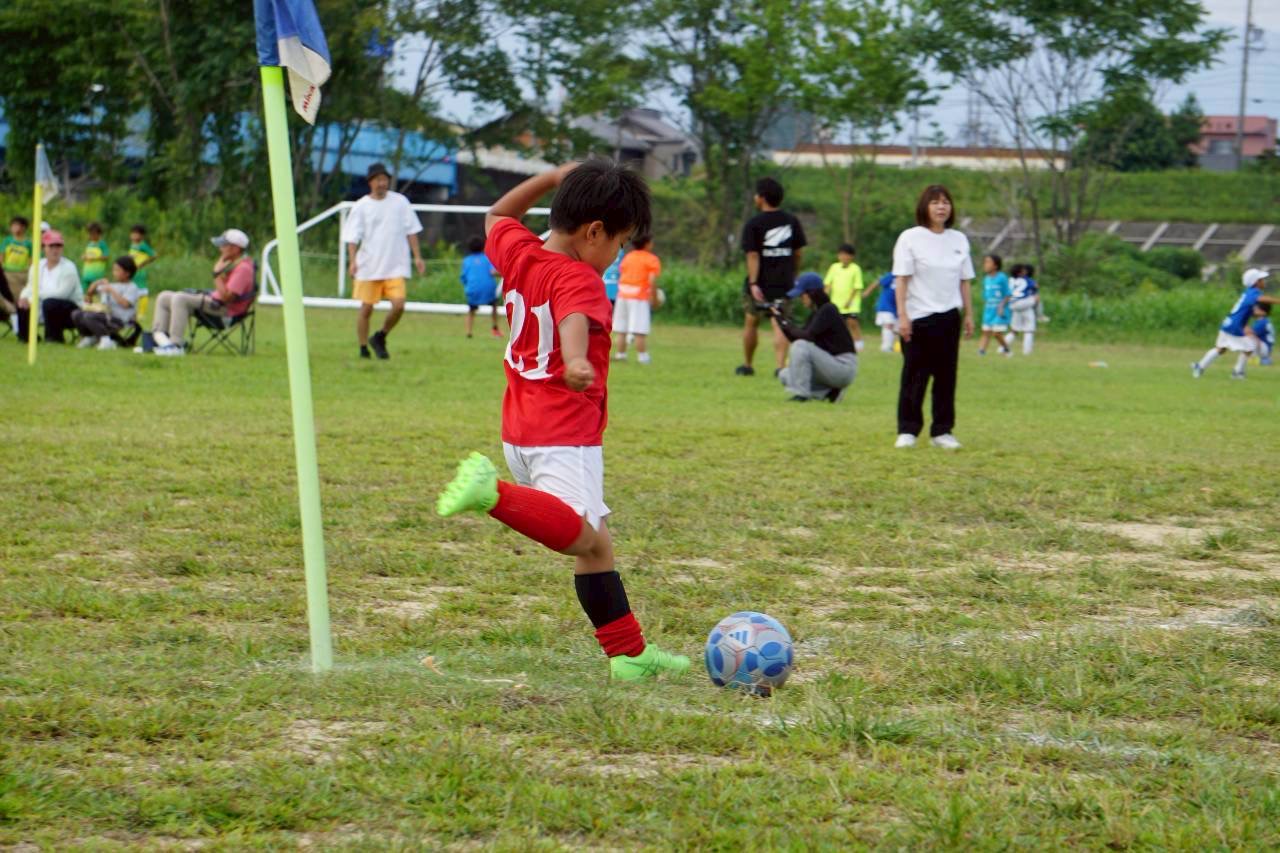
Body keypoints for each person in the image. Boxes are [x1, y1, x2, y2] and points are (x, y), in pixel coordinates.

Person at [436, 160, 689, 682]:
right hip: (563, 429)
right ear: (594, 231)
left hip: (521, 427)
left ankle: (629, 654)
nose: (616, 255)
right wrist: (575, 360)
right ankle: (490, 494)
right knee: (579, 536)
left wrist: (552, 178)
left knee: (597, 544)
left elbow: (496, 215)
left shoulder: (521, 252)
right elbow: (574, 316)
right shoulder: (581, 277)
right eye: (617, 243)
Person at [891, 185, 975, 450]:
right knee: (914, 375)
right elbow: (901, 280)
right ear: (925, 207)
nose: (941, 207)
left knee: (946, 376)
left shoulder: (959, 239)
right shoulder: (910, 238)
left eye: (946, 202)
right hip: (919, 316)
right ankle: (908, 430)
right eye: (936, 202)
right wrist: (903, 316)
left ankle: (942, 431)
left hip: (949, 316)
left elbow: (964, 282)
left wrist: (969, 314)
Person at [341, 162, 425, 360]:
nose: (382, 183)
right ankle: (363, 347)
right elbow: (352, 238)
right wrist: (352, 261)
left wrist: (418, 256)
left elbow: (411, 230)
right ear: (370, 182)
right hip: (369, 266)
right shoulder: (361, 206)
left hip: (395, 265)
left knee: (399, 305)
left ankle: (380, 335)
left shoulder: (400, 202)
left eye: (385, 179)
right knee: (366, 308)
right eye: (378, 179)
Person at [146, 229, 255, 357]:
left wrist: (216, 274)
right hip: (214, 303)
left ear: (235, 249)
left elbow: (227, 298)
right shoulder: (235, 264)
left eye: (223, 245)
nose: (220, 249)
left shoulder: (243, 269)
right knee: (164, 296)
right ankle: (160, 341)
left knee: (180, 298)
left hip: (225, 312)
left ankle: (175, 345)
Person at [737, 176, 806, 376]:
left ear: (762, 198)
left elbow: (752, 254)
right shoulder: (792, 221)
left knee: (752, 321)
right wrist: (794, 274)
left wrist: (753, 282)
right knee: (780, 323)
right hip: (785, 281)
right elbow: (798, 252)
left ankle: (748, 365)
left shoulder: (754, 224)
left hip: (760, 282)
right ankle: (780, 367)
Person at [773, 272, 857, 402]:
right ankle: (830, 392)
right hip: (830, 366)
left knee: (801, 346)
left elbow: (805, 337)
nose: (801, 298)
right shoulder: (817, 313)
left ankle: (802, 395)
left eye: (802, 295)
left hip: (843, 366)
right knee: (785, 375)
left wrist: (785, 323)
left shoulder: (828, 310)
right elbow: (795, 337)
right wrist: (780, 319)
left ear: (812, 293)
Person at [1192, 268, 1278, 379]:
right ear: (1256, 282)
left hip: (1228, 323)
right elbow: (1262, 299)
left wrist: (1256, 313)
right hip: (1235, 326)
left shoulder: (1247, 293)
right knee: (1249, 347)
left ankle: (1199, 366)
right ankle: (1237, 372)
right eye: (1261, 279)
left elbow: (1249, 310)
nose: (1264, 282)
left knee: (1221, 349)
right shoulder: (1253, 292)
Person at [17, 230, 82, 343]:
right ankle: (27, 337)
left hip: (71, 310)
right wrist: (24, 297)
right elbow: (30, 286)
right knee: (23, 303)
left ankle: (54, 337)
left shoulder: (69, 268)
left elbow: (62, 294)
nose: (55, 250)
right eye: (51, 246)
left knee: (50, 303)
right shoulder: (37, 265)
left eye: (58, 246)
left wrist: (35, 295)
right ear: (44, 248)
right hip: (41, 304)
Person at [73, 256, 141, 351]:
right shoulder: (112, 285)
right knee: (77, 314)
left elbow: (125, 304)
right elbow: (90, 292)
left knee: (89, 316)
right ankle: (89, 337)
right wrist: (97, 282)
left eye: (117, 270)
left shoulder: (132, 287)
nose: (114, 273)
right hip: (105, 316)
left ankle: (105, 340)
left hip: (120, 320)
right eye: (113, 270)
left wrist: (111, 290)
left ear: (127, 273)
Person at [612, 233, 661, 364]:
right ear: (647, 244)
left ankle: (620, 354)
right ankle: (643, 357)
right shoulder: (651, 259)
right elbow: (651, 280)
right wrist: (655, 298)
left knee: (621, 329)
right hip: (639, 296)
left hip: (622, 294)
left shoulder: (628, 257)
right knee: (640, 329)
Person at [823, 243, 864, 351]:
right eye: (842, 254)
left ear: (851, 256)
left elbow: (857, 286)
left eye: (847, 255)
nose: (844, 257)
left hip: (851, 303)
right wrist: (825, 296)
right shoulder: (834, 267)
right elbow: (828, 283)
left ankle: (859, 344)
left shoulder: (855, 269)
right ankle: (838, 344)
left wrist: (849, 300)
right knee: (837, 325)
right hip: (836, 302)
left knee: (852, 323)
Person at [460, 236, 502, 338]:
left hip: (473, 289)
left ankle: (469, 332)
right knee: (494, 306)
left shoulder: (466, 261)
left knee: (471, 310)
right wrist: (503, 273)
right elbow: (493, 272)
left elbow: (463, 278)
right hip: (488, 290)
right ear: (483, 247)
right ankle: (495, 328)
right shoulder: (487, 258)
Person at [977, 254, 1011, 356]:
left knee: (996, 333)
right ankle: (981, 352)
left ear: (995, 265)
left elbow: (1008, 294)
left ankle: (1006, 348)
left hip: (999, 311)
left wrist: (1001, 306)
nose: (985, 264)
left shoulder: (1002, 277)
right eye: (985, 262)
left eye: (988, 262)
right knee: (986, 331)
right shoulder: (986, 279)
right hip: (989, 310)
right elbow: (985, 295)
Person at [2, 216, 33, 324]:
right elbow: (2, 255)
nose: (16, 228)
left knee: (21, 297)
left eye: (18, 225)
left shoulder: (28, 243)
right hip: (9, 273)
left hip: (22, 274)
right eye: (14, 226)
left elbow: (31, 259)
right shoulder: (7, 241)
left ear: (24, 228)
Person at [1005, 263, 1039, 356]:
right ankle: (1027, 352)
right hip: (1025, 305)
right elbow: (1036, 296)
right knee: (1029, 330)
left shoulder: (1011, 280)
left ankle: (1002, 347)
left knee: (1014, 330)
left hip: (1014, 306)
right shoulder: (1029, 281)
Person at [861, 271, 898, 353]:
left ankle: (891, 346)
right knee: (888, 324)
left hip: (897, 308)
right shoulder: (892, 275)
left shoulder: (908, 277)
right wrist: (867, 292)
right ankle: (886, 347)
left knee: (896, 329)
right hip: (886, 305)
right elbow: (878, 282)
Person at [127, 224, 157, 291]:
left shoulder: (143, 245)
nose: (133, 236)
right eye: (132, 233)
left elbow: (154, 255)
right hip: (132, 269)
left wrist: (142, 264)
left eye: (136, 234)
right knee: (131, 285)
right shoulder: (133, 245)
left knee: (140, 286)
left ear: (142, 236)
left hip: (140, 270)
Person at [81, 222, 110, 290]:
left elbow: (106, 256)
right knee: (85, 292)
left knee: (96, 292)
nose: (91, 236)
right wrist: (84, 257)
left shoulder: (102, 244)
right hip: (87, 273)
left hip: (97, 275)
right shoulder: (89, 244)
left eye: (93, 234)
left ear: (99, 234)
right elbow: (87, 255)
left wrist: (94, 258)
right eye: (90, 233)